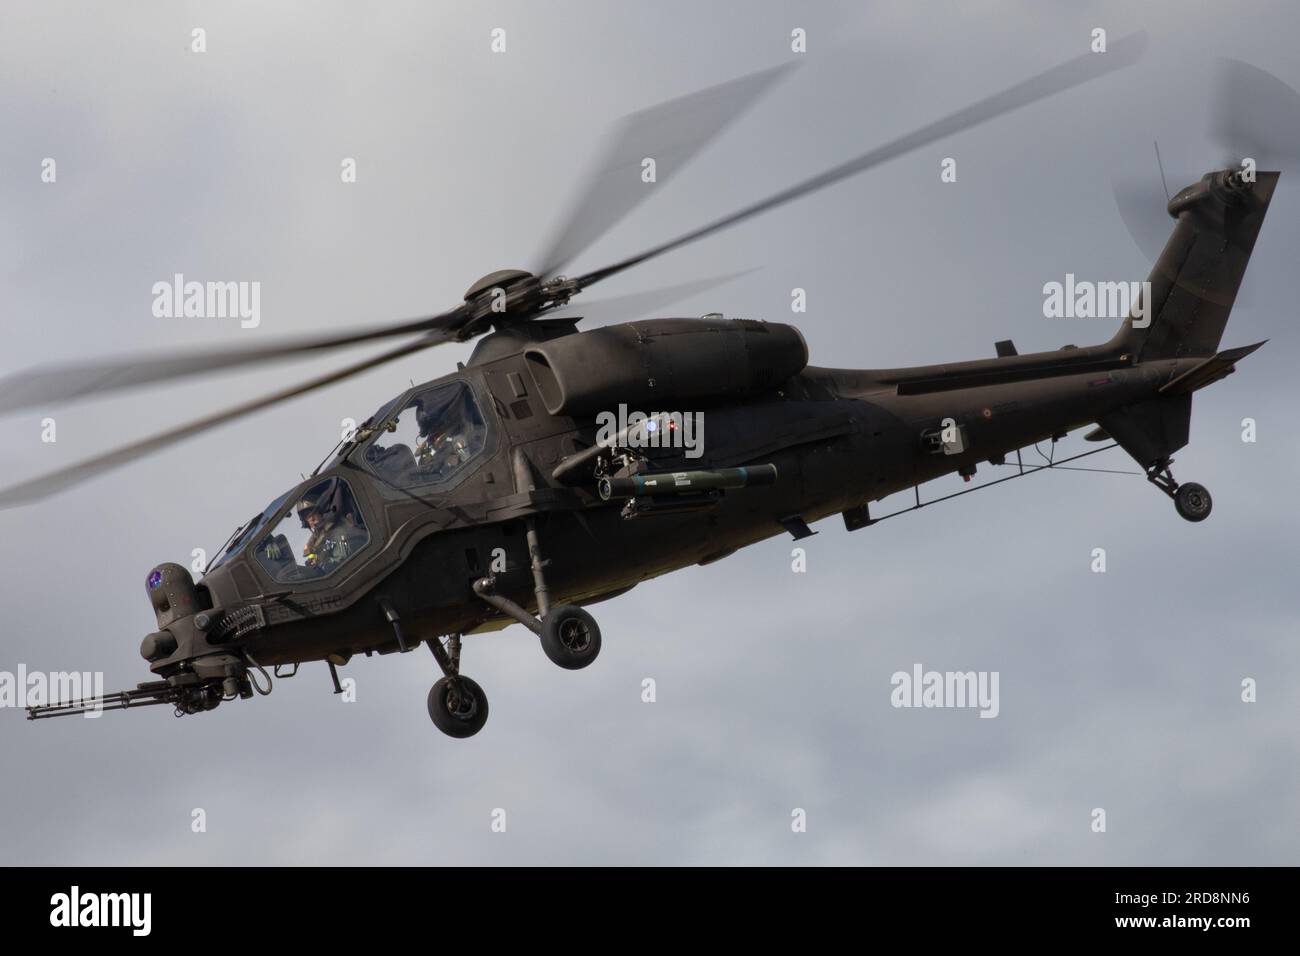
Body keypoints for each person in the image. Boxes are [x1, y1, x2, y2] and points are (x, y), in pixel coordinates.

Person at [296, 491, 361, 573]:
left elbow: (342, 562)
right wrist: (315, 560)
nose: (311, 519)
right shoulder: (318, 538)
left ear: (322, 512)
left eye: (313, 513)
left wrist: (321, 565)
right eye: (307, 516)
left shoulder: (337, 531)